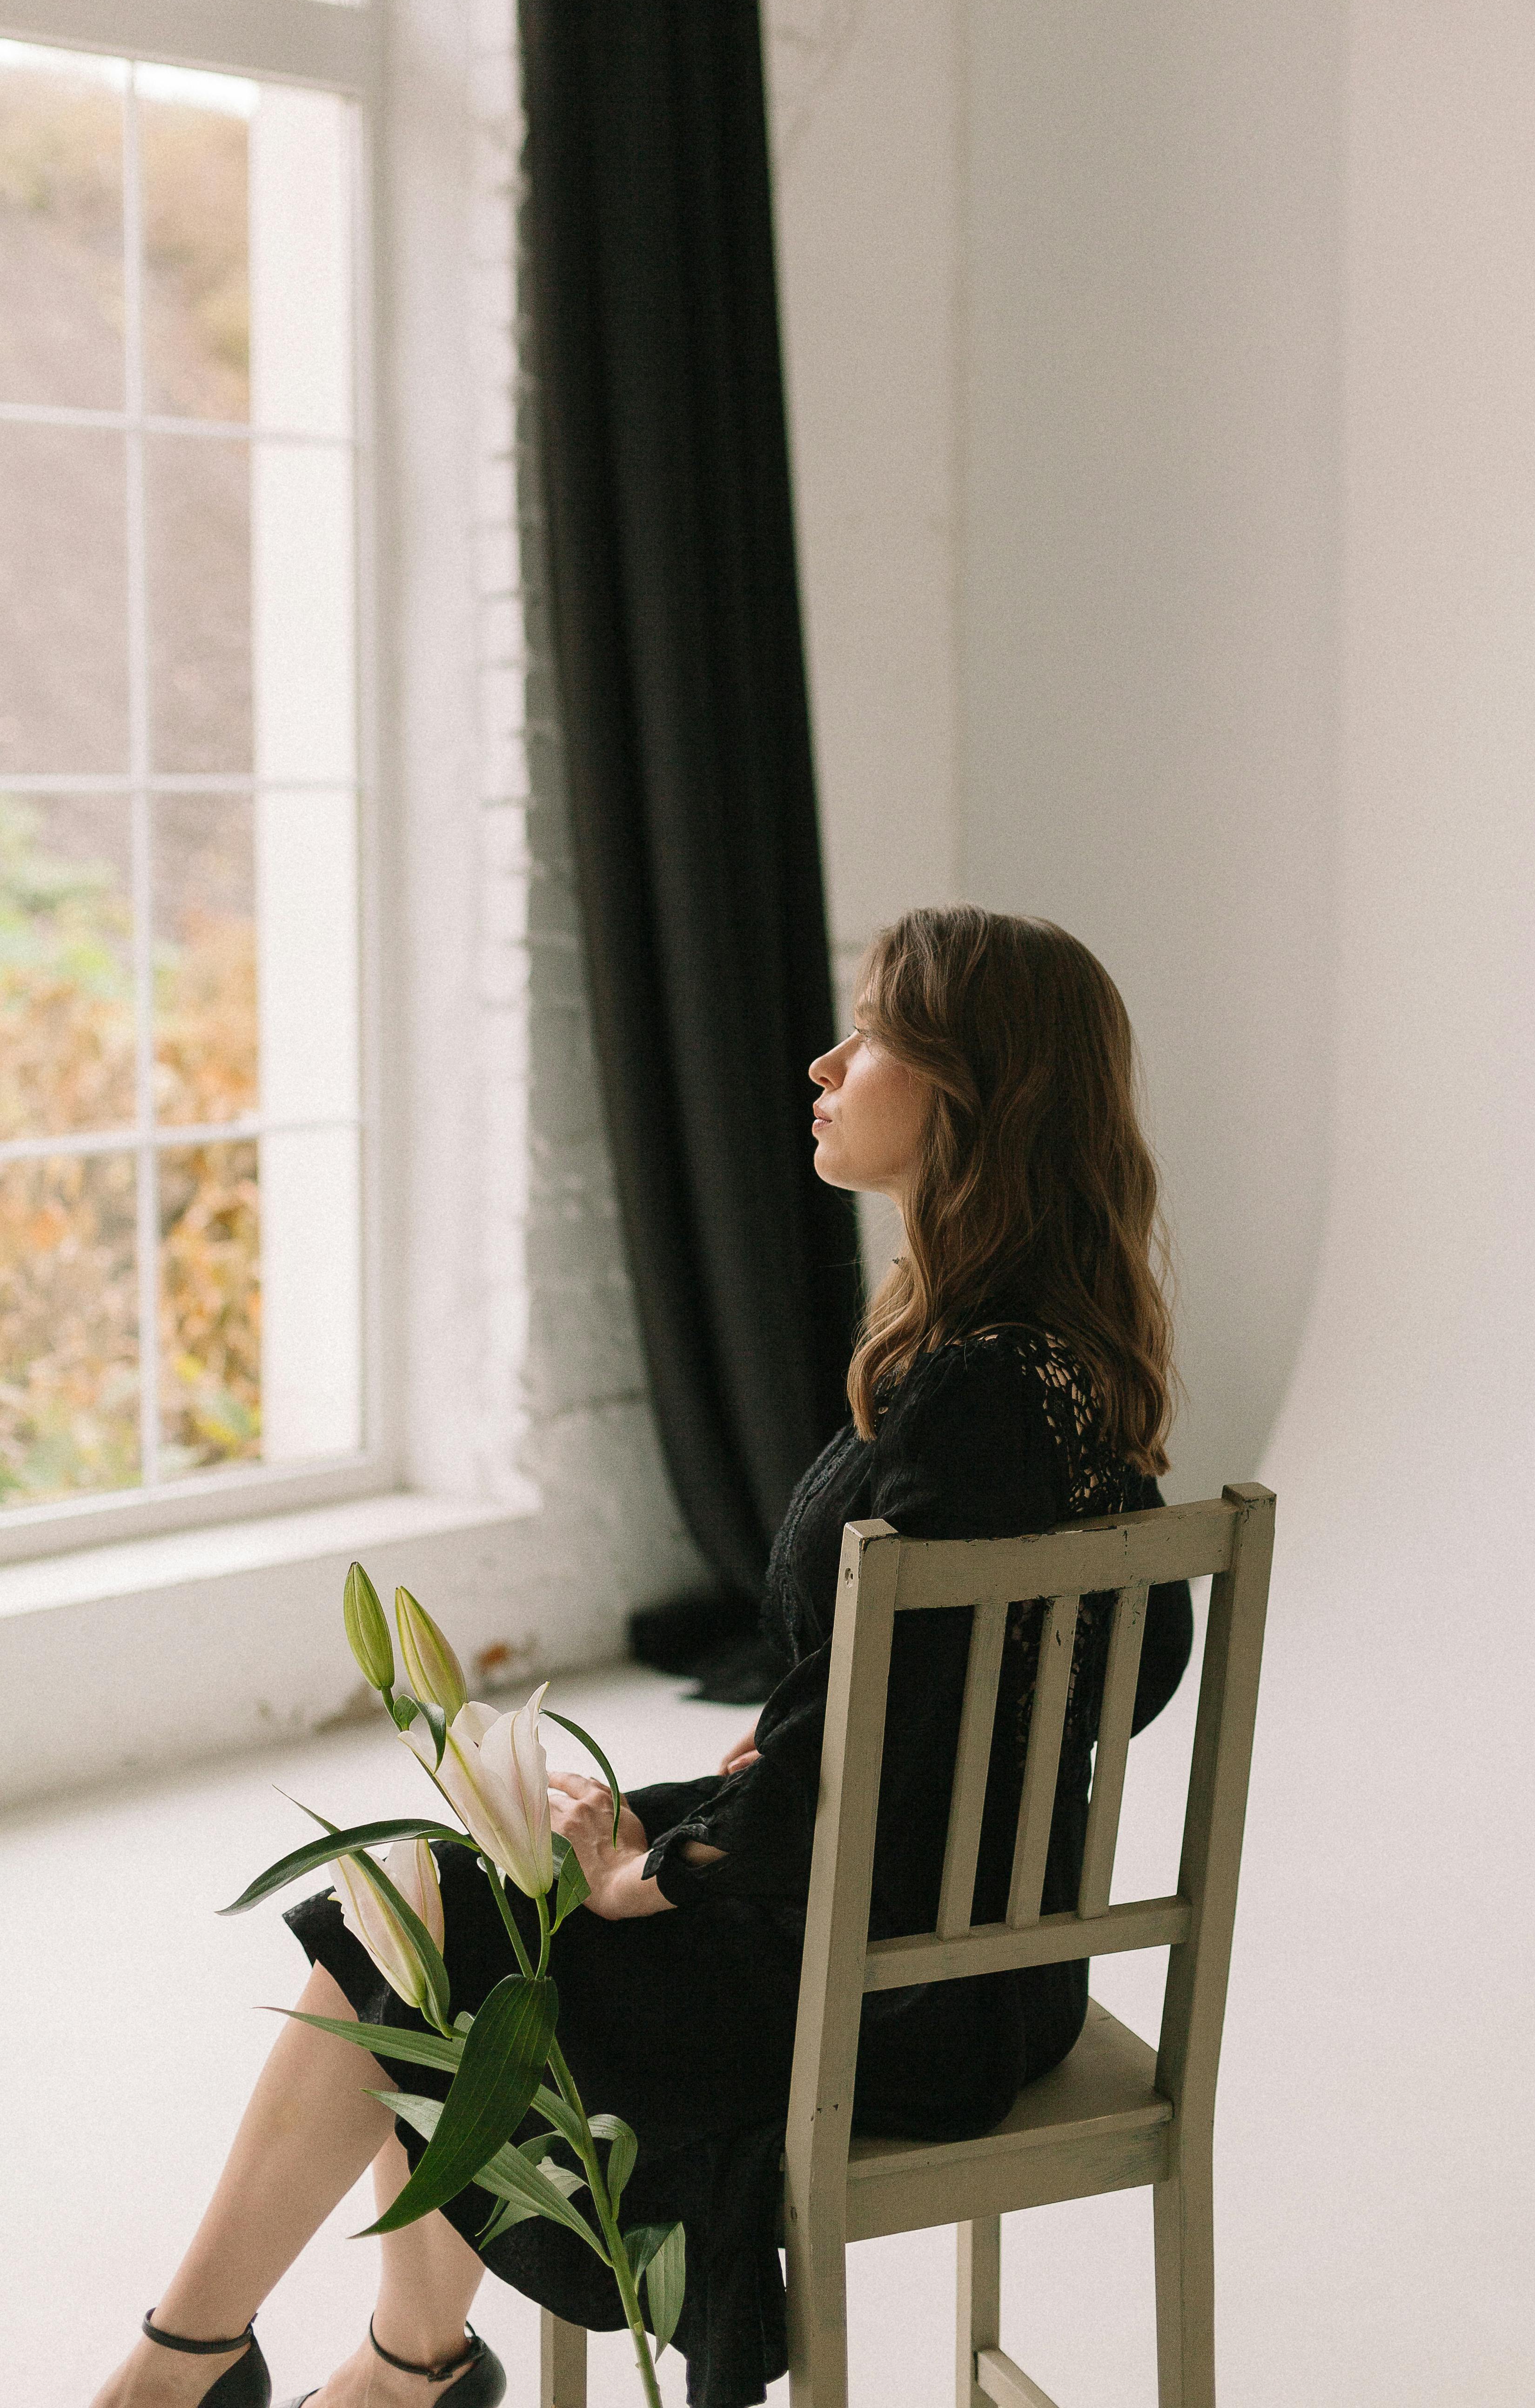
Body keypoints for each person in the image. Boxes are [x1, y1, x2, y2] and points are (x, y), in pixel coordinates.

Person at [93, 906, 1195, 2408]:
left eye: (866, 1033)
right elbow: (1119, 1669)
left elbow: (918, 1724)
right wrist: (782, 1752)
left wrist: (663, 1873)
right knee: (446, 1876)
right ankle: (386, 2365)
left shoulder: (976, 1397)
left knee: (442, 1924)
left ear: (968, 1092)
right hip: (969, 1953)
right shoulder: (1059, 1373)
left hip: (895, 2000)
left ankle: (215, 2371)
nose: (823, 1060)